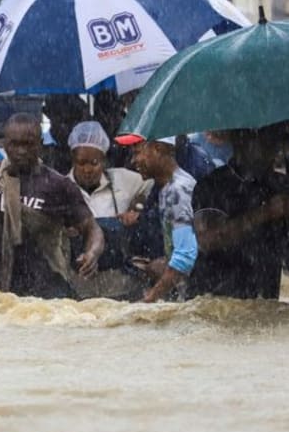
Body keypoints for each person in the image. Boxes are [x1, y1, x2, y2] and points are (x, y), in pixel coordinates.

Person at [0, 113, 104, 298]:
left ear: (40, 144)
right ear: (5, 144)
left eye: (28, 144)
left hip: (45, 288)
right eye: (14, 144)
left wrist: (92, 254)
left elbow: (92, 227)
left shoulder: (57, 185)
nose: (21, 151)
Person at [190, 127, 289, 299]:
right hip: (213, 297)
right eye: (263, 139)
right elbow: (207, 239)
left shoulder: (279, 186)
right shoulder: (212, 185)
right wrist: (266, 212)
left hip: (263, 301)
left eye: (274, 139)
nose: (271, 146)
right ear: (239, 140)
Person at [66, 121, 152, 299]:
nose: (88, 169)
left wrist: (137, 208)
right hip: (78, 285)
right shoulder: (62, 187)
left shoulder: (122, 179)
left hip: (119, 282)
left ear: (104, 161)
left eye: (94, 162)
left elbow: (152, 182)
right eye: (81, 163)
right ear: (72, 160)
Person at [130, 136, 198, 302]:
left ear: (157, 149)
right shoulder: (166, 188)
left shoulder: (177, 190)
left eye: (138, 153)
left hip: (196, 287)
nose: (133, 161)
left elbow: (185, 256)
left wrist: (150, 299)